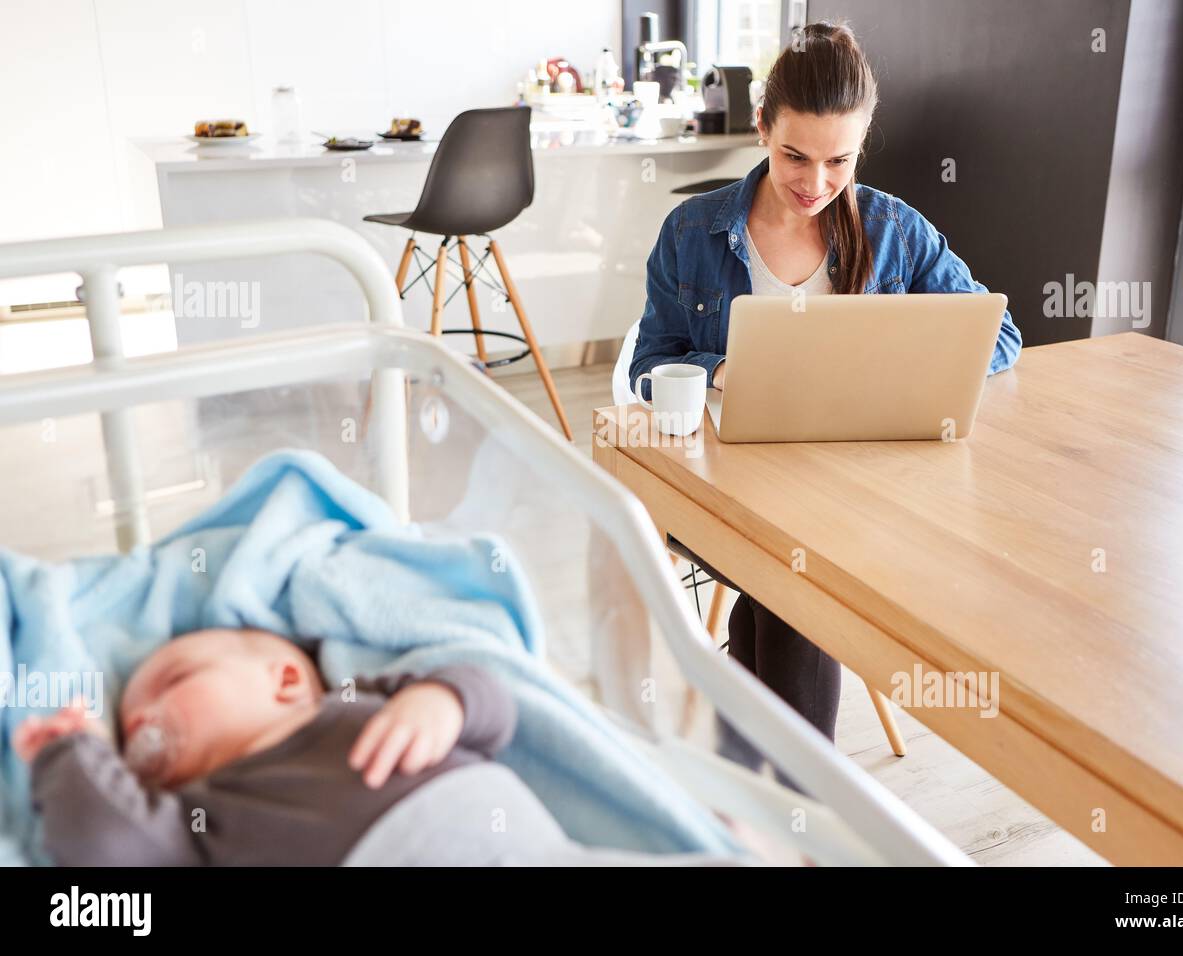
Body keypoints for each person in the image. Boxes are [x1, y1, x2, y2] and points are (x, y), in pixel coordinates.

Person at [629, 21, 1021, 775]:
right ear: (760, 129)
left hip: (862, 495)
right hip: (730, 491)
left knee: (788, 587)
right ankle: (804, 800)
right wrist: (722, 368)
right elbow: (650, 365)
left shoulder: (894, 228)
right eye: (794, 157)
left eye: (840, 160)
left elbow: (999, 335)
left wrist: (904, 361)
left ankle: (764, 791)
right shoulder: (691, 231)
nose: (816, 182)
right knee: (793, 586)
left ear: (863, 143)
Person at [17, 628, 748, 866]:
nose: (140, 715)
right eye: (125, 721)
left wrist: (442, 700)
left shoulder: (355, 700)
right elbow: (102, 841)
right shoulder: (195, 816)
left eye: (172, 680)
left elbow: (494, 702)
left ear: (283, 678)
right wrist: (70, 751)